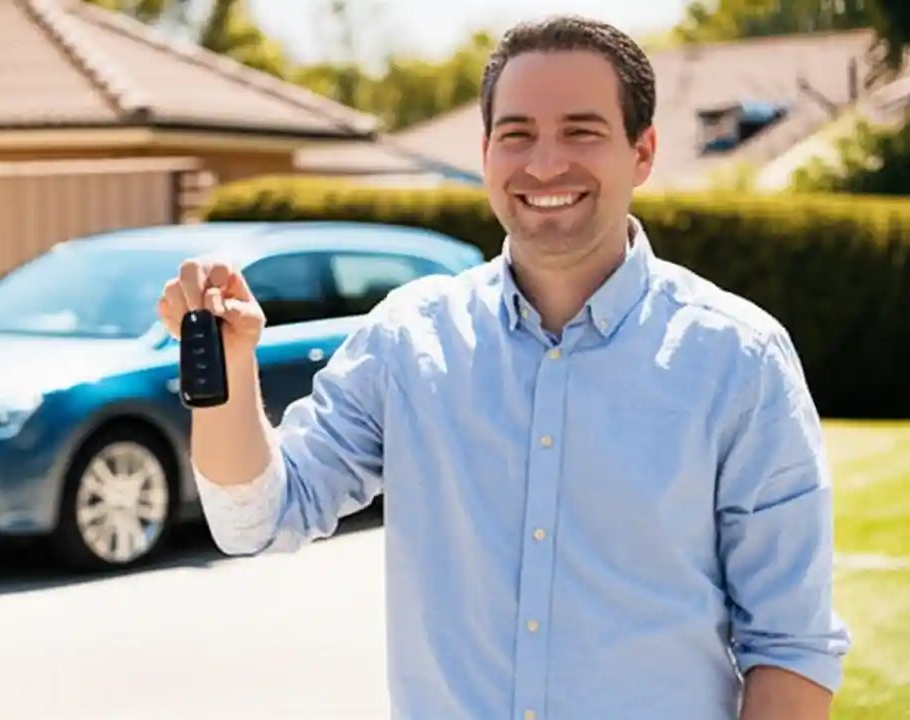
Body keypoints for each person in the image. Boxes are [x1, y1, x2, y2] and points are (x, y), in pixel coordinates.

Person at [156, 14, 851, 720]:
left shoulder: (738, 359)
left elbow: (791, 647)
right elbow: (256, 518)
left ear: (642, 152)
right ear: (486, 152)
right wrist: (230, 375)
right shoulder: (407, 341)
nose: (544, 165)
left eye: (581, 131)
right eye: (517, 134)